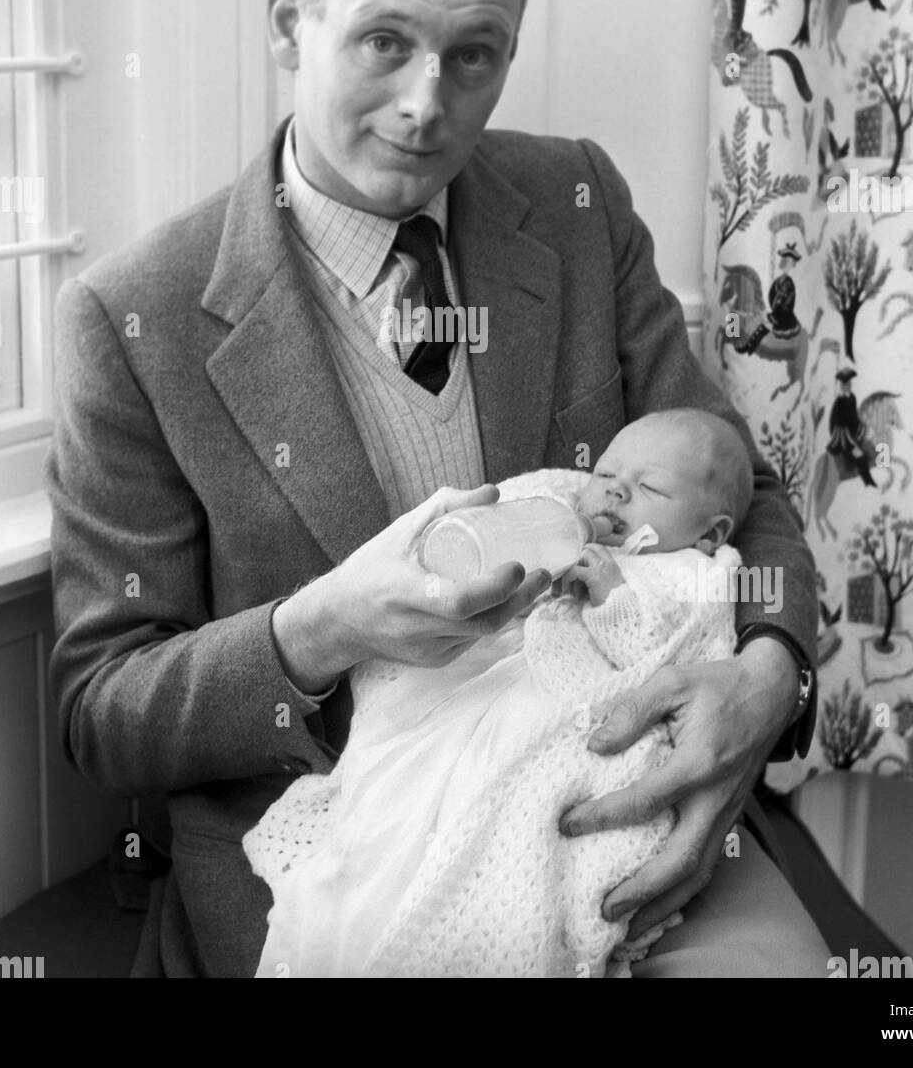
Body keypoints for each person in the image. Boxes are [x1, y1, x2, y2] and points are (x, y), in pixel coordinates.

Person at [47, 0, 826, 978]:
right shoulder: (131, 317)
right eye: (383, 41)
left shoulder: (574, 206)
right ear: (287, 24)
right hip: (343, 851)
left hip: (612, 801)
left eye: (473, 56)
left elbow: (732, 488)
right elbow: (102, 706)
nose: (426, 105)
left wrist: (770, 674)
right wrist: (323, 627)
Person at [245, 410, 754, 978]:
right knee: (396, 806)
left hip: (570, 723)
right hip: (479, 699)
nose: (615, 488)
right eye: (607, 471)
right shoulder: (559, 513)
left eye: (651, 487)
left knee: (504, 832)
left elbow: (667, 658)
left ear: (710, 532)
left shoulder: (692, 576)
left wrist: (613, 596)